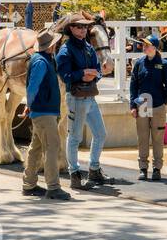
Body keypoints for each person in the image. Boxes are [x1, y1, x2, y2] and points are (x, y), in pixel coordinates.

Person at [56, 13, 107, 190]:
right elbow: (65, 75)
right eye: (79, 26)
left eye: (85, 27)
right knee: (75, 137)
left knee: (101, 133)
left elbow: (98, 69)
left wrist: (93, 74)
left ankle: (94, 169)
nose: (83, 29)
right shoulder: (65, 50)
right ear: (71, 29)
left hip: (90, 96)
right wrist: (83, 73)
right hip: (76, 97)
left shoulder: (87, 47)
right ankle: (74, 174)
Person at [21, 32, 71, 200]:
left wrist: (30, 106)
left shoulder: (42, 59)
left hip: (41, 111)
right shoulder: (41, 62)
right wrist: (29, 104)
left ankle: (29, 184)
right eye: (55, 43)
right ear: (50, 46)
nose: (56, 45)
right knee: (52, 147)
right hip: (45, 112)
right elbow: (33, 87)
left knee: (35, 148)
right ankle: (53, 187)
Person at [130, 34, 167, 181]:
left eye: (147, 45)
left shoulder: (164, 63)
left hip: (157, 105)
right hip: (143, 103)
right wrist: (133, 104)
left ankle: (157, 168)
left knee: (158, 138)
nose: (144, 47)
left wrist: (164, 101)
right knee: (142, 137)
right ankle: (143, 168)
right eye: (144, 45)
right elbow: (133, 85)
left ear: (154, 47)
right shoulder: (139, 63)